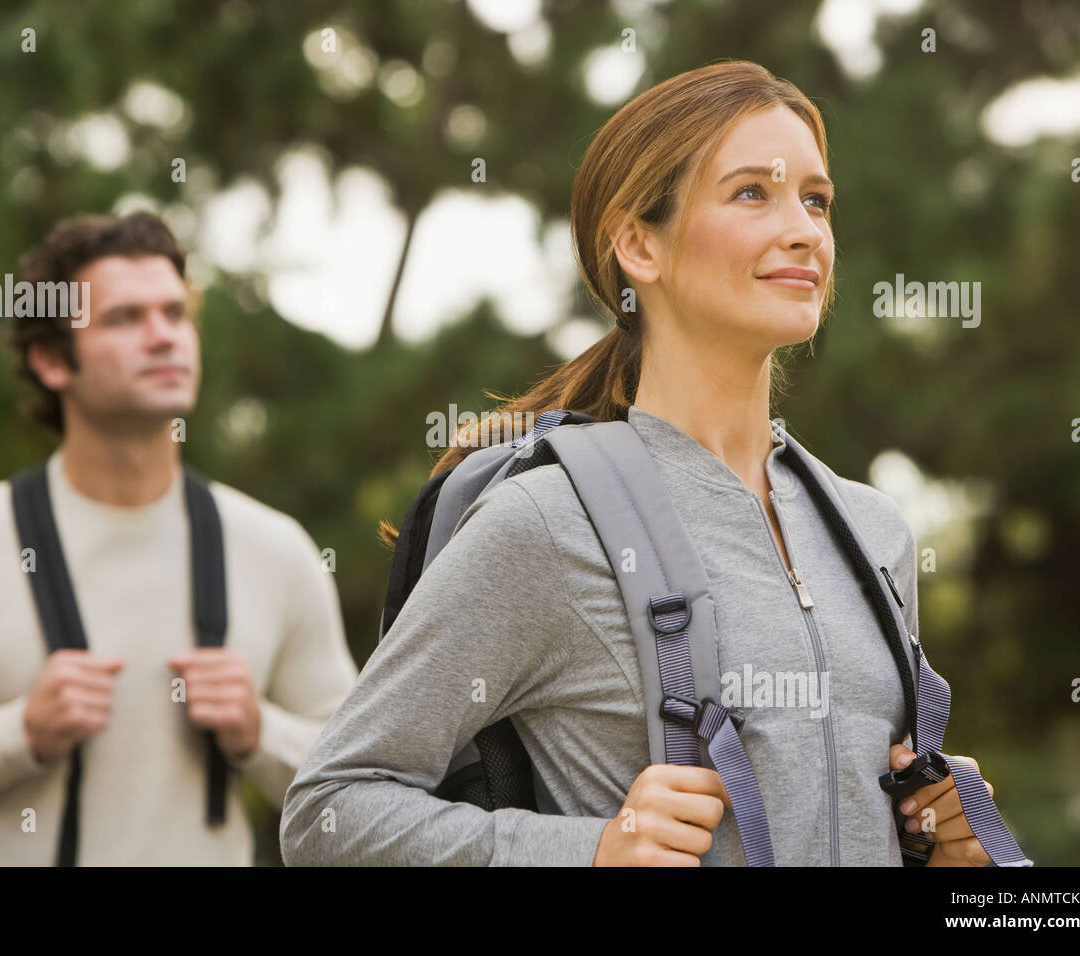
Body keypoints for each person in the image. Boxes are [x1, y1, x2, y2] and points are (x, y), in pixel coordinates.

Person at [280, 60, 999, 866]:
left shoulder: (874, 532)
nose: (805, 229)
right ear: (638, 245)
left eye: (816, 199)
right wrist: (591, 851)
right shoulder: (547, 524)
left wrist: (939, 843)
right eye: (752, 193)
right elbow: (327, 811)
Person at [0, 211, 359, 865]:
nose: (164, 337)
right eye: (125, 318)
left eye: (175, 313)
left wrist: (261, 732)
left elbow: (357, 791)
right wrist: (14, 735)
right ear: (52, 360)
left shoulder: (277, 552)